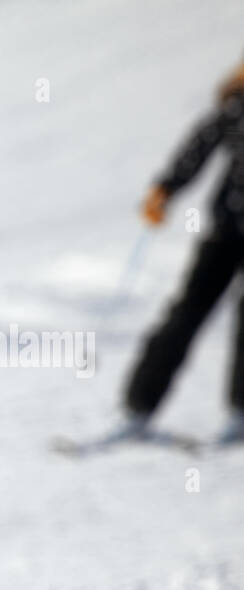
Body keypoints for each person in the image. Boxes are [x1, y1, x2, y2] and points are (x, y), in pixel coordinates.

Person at [122, 55, 244, 444]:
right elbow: (200, 145)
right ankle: (138, 408)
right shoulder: (238, 104)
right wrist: (166, 189)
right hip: (227, 227)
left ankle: (240, 416)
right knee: (187, 312)